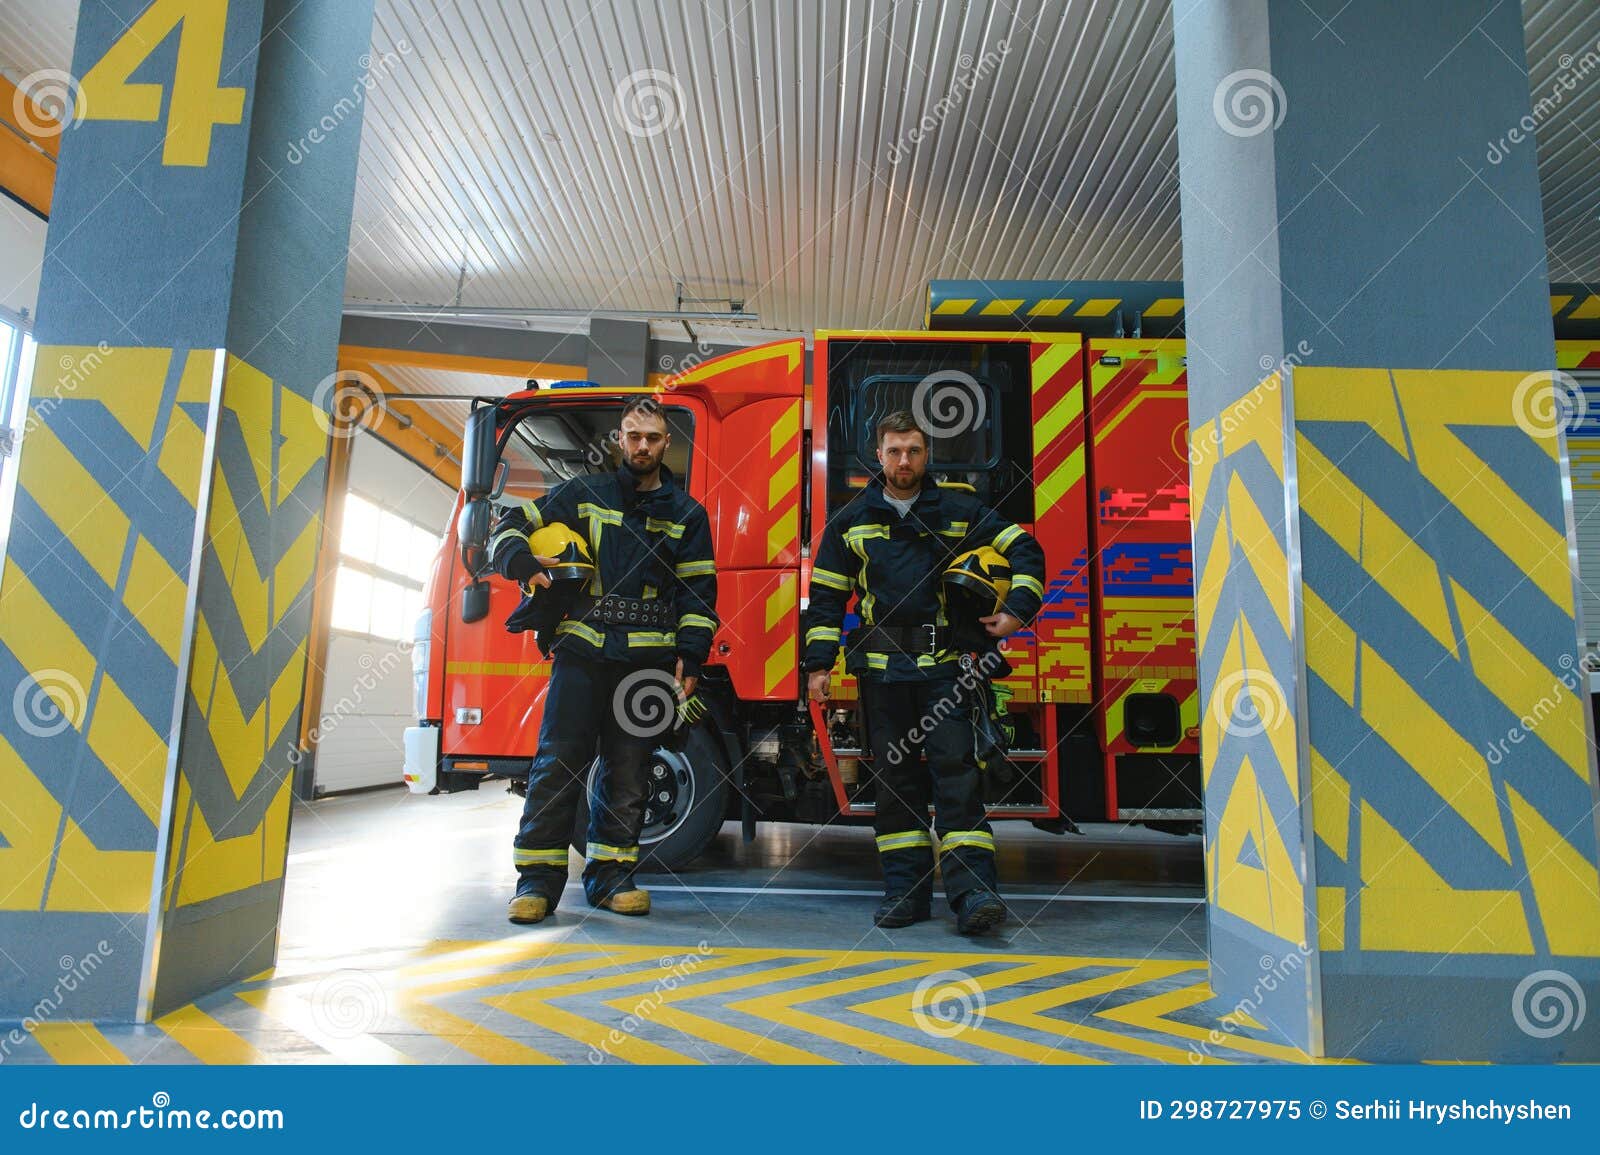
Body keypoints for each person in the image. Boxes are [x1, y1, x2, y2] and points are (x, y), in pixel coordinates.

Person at [801, 410, 1044, 933]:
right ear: (879, 456)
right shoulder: (850, 521)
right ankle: (904, 895)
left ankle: (974, 895)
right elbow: (824, 600)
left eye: (913, 450)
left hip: (946, 674)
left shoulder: (959, 510)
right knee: (894, 785)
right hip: (883, 678)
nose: (904, 460)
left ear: (926, 454)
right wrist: (818, 666)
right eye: (894, 451)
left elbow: (1023, 547)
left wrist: (1018, 610)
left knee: (958, 781)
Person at [487, 396, 718, 924]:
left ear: (666, 443)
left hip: (645, 666)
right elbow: (512, 520)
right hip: (582, 655)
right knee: (557, 765)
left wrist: (691, 657)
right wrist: (520, 560)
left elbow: (699, 594)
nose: (642, 446)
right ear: (621, 439)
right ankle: (536, 884)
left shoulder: (687, 514)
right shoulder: (582, 493)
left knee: (630, 772)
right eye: (633, 436)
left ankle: (612, 877)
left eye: (653, 437)